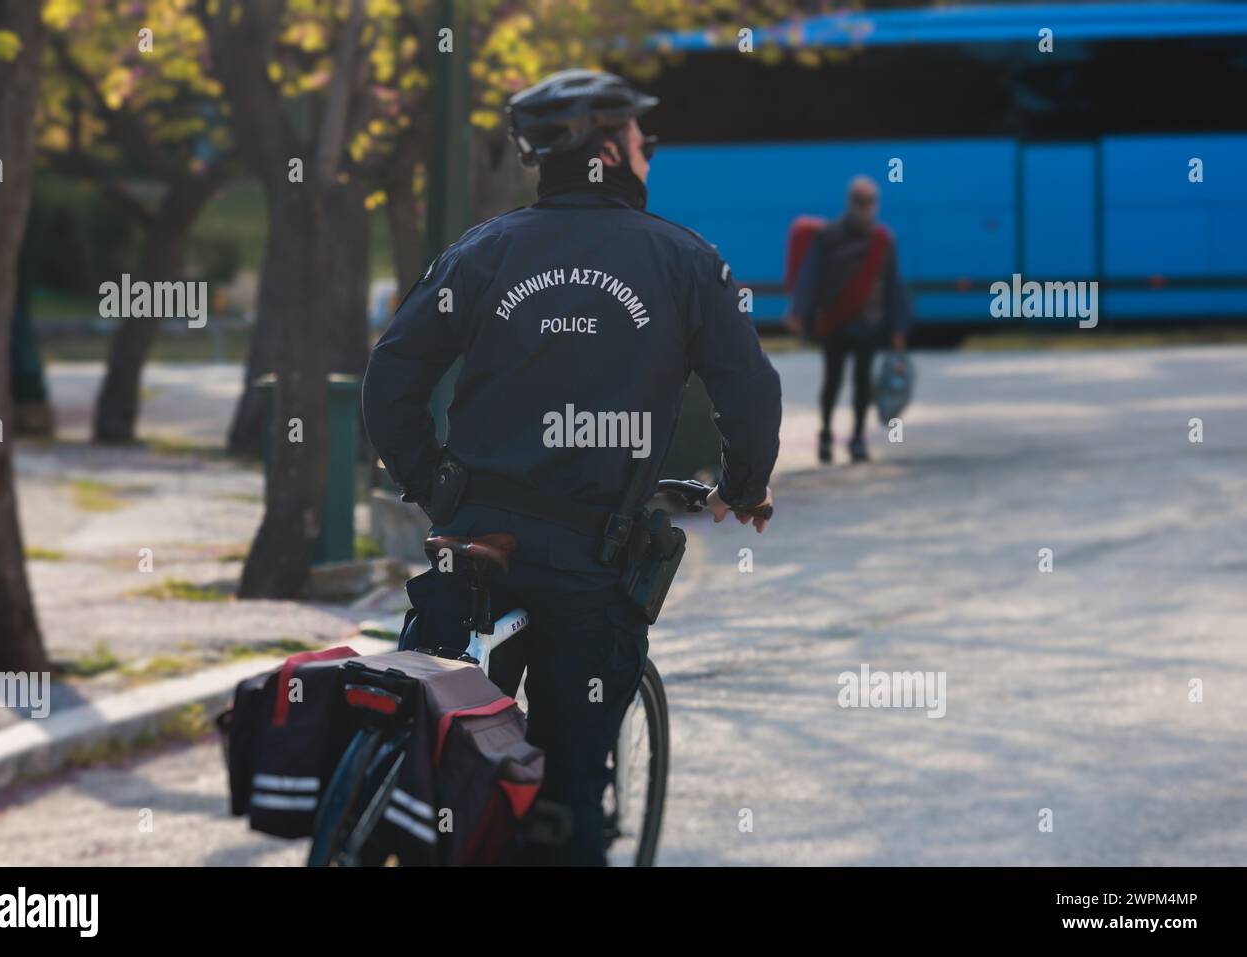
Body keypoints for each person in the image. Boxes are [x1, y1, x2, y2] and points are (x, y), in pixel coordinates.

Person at [361, 68, 782, 865]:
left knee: (433, 747)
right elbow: (750, 394)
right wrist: (743, 484)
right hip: (588, 561)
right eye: (639, 137)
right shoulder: (683, 260)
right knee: (570, 785)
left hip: (472, 533)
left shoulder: (482, 251)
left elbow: (391, 378)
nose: (646, 150)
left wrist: (435, 486)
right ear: (613, 149)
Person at [785, 175, 908, 463]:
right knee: (832, 381)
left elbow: (893, 284)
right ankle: (826, 435)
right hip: (835, 322)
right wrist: (799, 312)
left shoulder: (882, 240)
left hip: (868, 322)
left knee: (863, 383)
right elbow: (810, 276)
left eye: (870, 202)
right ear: (850, 202)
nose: (865, 207)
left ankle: (857, 439)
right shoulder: (828, 236)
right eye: (860, 201)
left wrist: (899, 326)